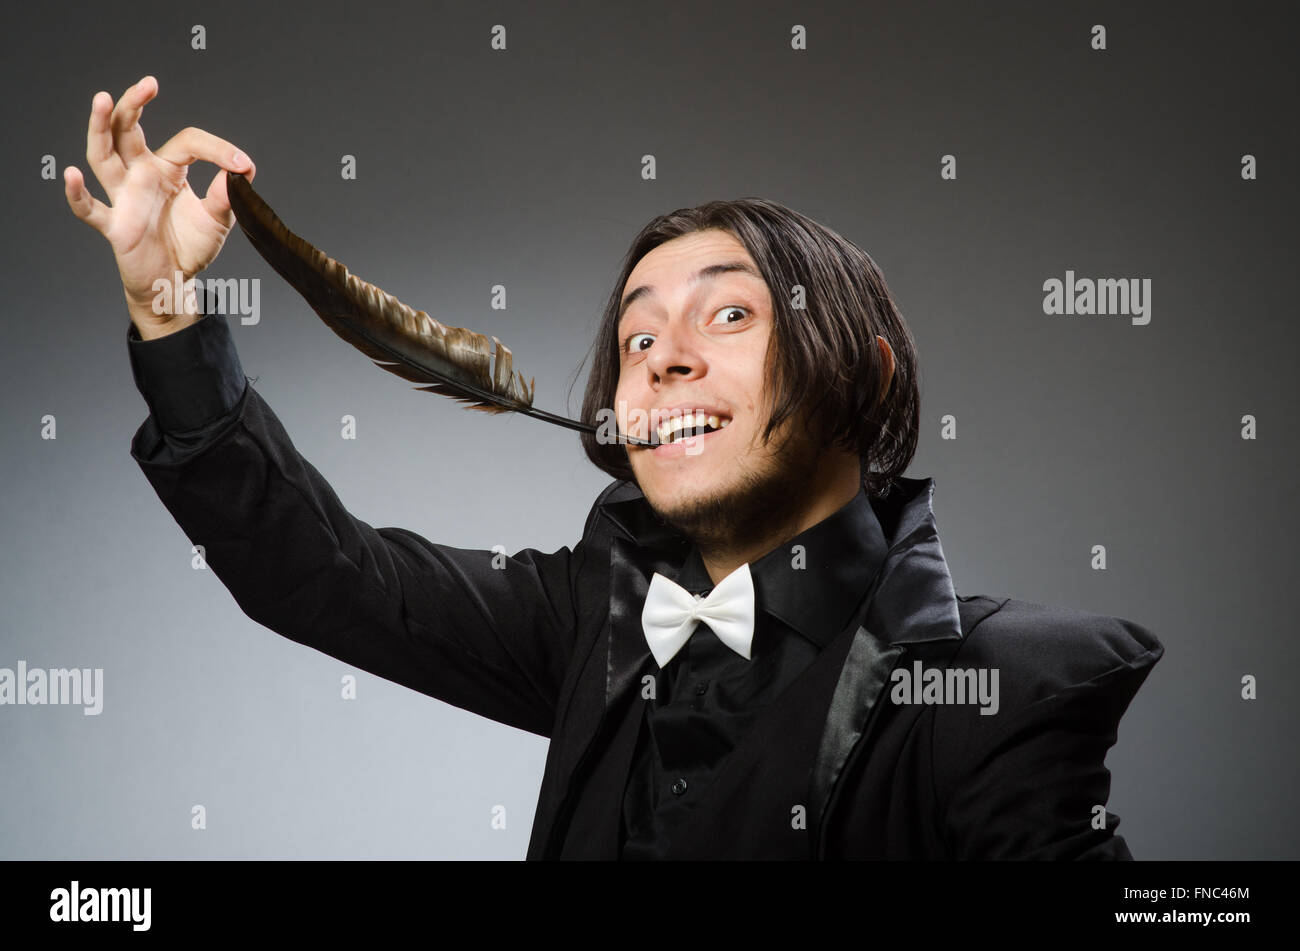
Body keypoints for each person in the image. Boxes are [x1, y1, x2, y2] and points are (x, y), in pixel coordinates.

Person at [67, 75, 1163, 860]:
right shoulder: (594, 616)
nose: (665, 356)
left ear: (863, 379)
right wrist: (168, 310)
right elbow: (317, 572)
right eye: (638, 340)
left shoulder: (1004, 685)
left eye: (729, 312)